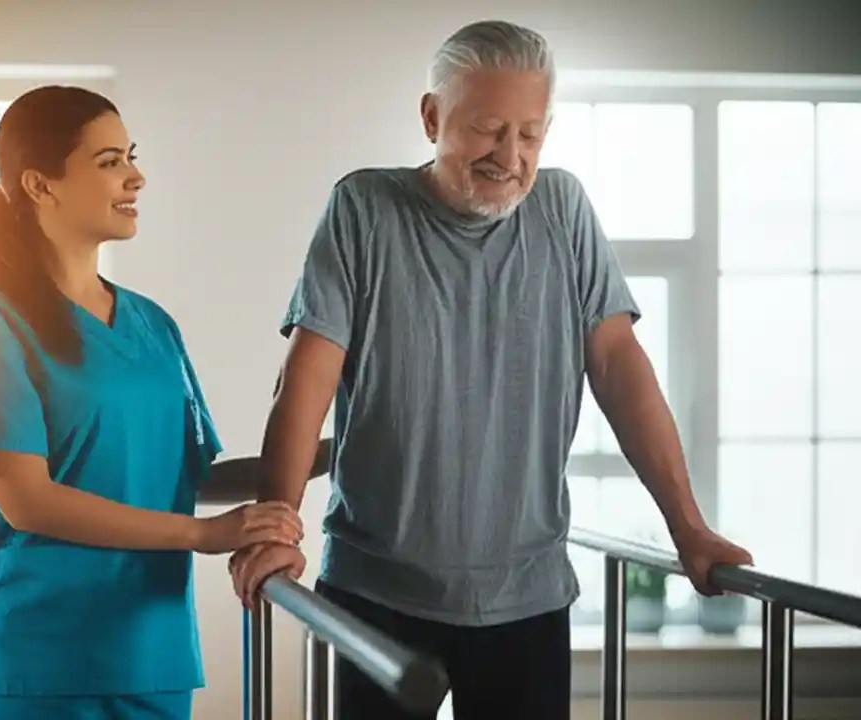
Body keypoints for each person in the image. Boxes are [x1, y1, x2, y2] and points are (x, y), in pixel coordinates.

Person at [228, 20, 754, 720]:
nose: (509, 155)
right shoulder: (364, 208)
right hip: (376, 591)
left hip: (527, 598)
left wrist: (688, 528)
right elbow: (306, 381)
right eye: (487, 129)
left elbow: (621, 370)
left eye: (529, 134)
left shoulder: (563, 211)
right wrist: (277, 524)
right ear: (431, 116)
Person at [0, 85, 305, 720]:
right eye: (109, 161)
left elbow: (181, 478)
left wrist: (331, 450)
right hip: (41, 660)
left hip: (151, 653)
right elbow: (27, 500)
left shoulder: (152, 325)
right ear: (39, 184)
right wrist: (203, 534)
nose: (136, 176)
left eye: (130, 157)